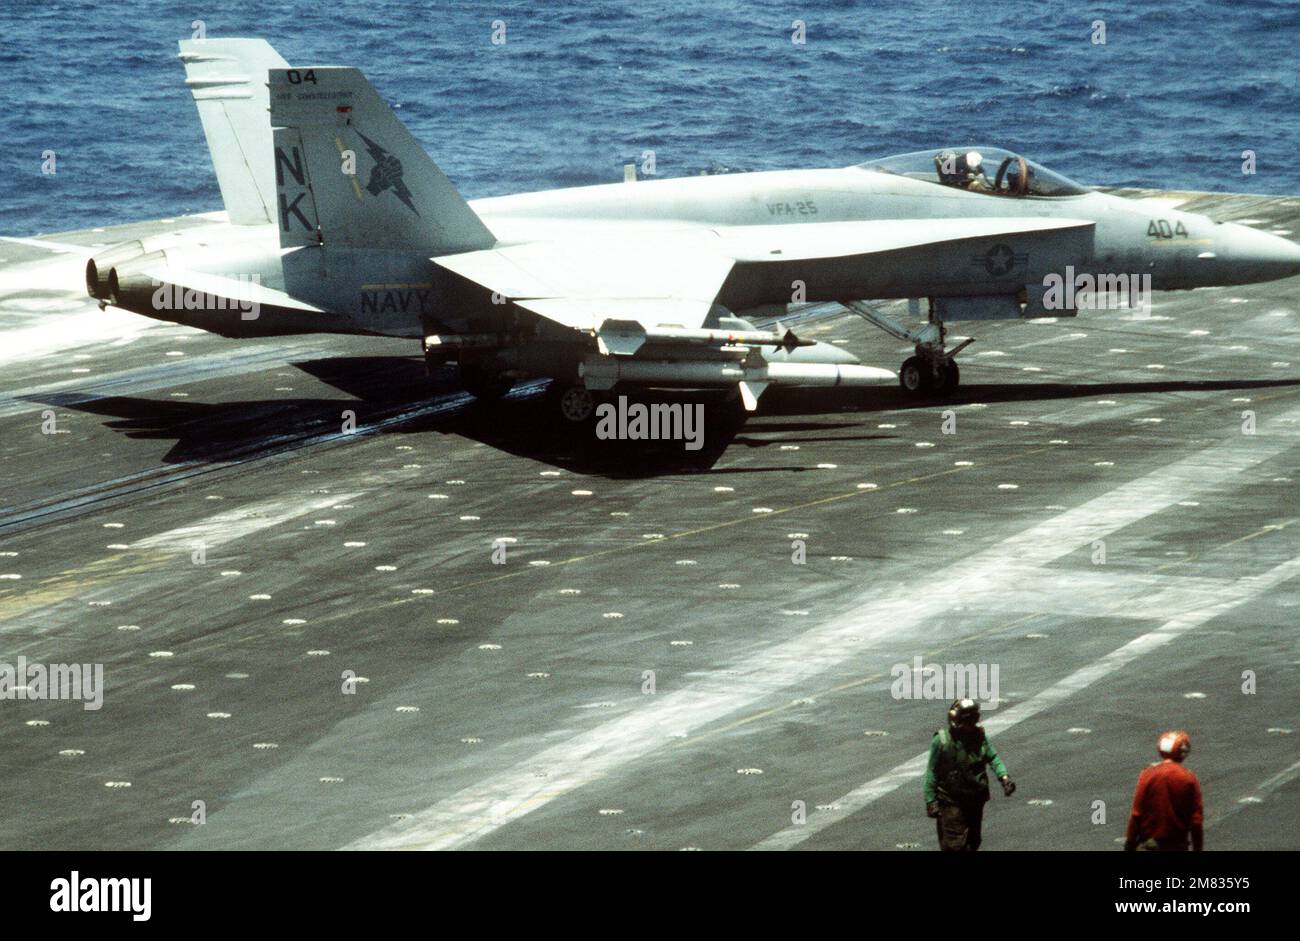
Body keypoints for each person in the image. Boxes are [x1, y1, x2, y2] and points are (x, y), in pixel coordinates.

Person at [923, 698, 1015, 851]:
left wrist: (1004, 778)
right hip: (951, 799)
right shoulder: (942, 741)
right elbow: (931, 772)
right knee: (956, 846)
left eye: (973, 720)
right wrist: (930, 800)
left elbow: (992, 757)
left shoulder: (978, 736)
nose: (970, 725)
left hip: (975, 798)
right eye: (967, 721)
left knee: (973, 842)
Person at [1124, 730, 1204, 851]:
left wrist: (1129, 844)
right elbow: (1196, 821)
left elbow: (1136, 814)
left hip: (1149, 844)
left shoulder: (1147, 774)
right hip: (1176, 845)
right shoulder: (1189, 779)